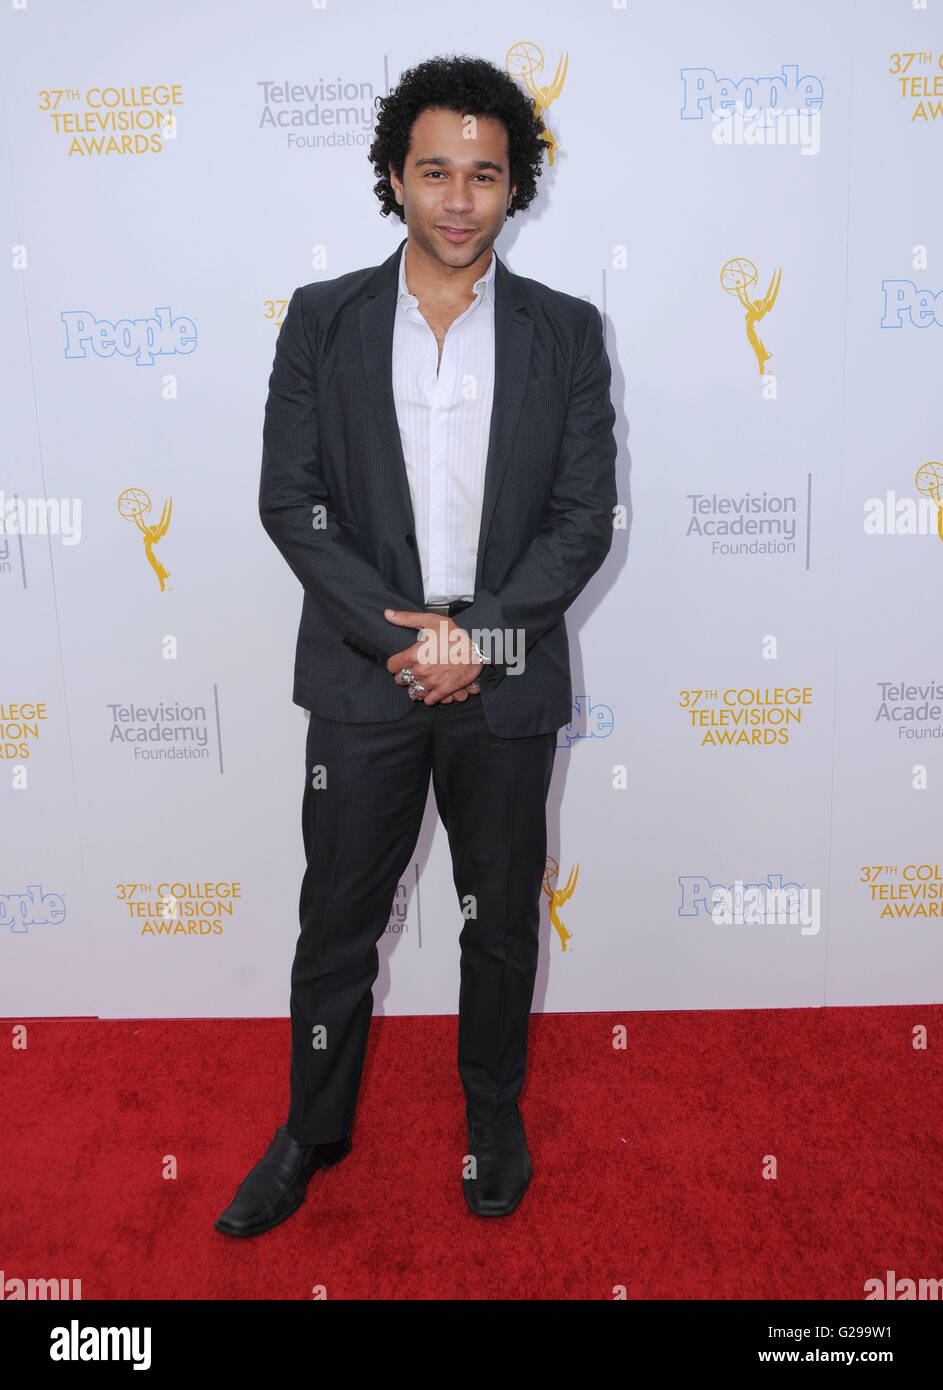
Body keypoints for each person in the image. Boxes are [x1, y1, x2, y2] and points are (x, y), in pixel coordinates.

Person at [216, 53, 617, 1237]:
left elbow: (580, 519)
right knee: (339, 915)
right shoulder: (323, 319)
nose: (457, 197)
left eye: (484, 175)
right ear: (394, 176)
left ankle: (491, 1113)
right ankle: (312, 1128)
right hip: (362, 671)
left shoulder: (567, 333)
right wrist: (402, 640)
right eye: (434, 170)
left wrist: (478, 640)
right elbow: (290, 502)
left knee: (499, 917)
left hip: (502, 680)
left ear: (514, 187)